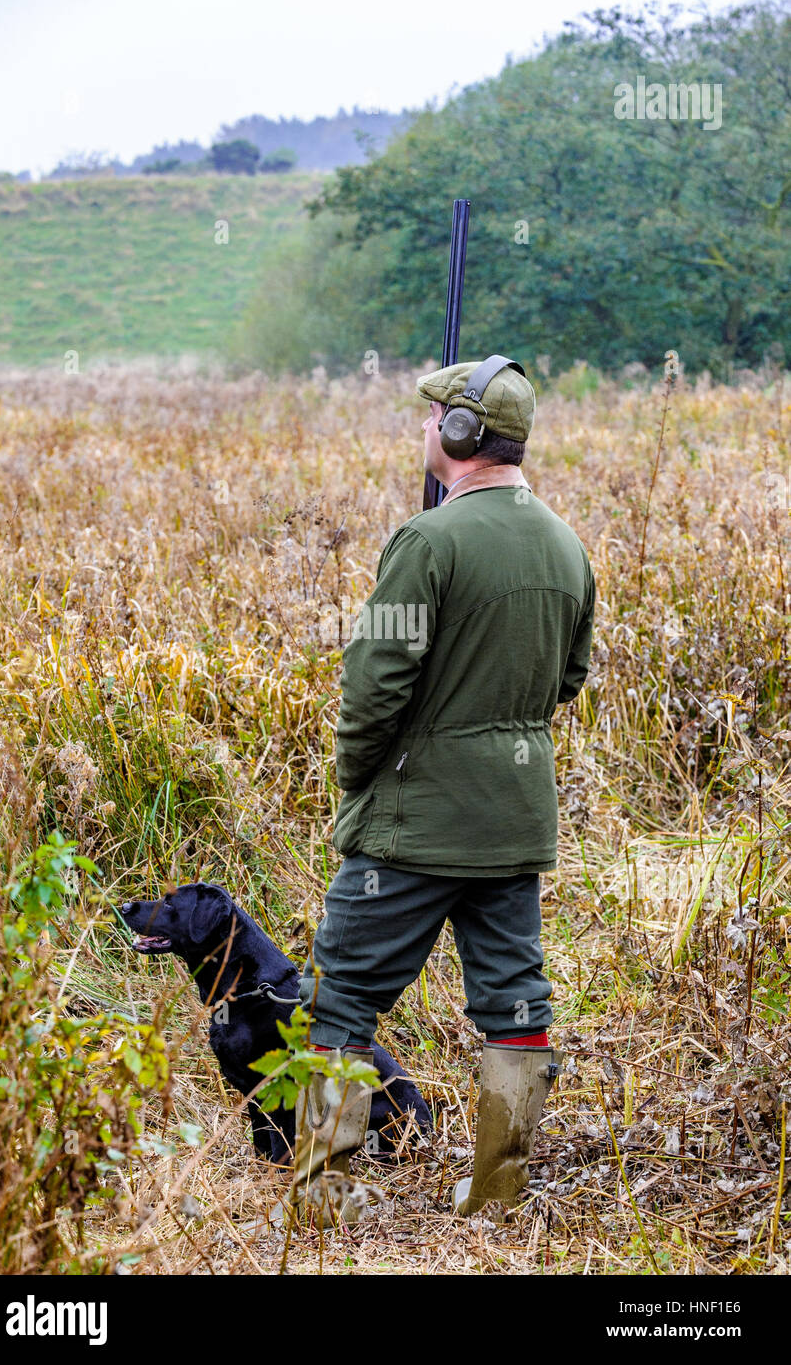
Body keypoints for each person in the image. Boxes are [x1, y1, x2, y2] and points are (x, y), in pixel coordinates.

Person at [293, 357, 596, 1218]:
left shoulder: (424, 543)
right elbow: (568, 676)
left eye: (431, 418)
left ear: (458, 436)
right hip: (514, 818)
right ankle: (497, 1188)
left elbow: (373, 684)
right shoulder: (566, 542)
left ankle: (322, 1195)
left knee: (342, 992)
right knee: (514, 998)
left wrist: (358, 777)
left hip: (412, 824)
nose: (422, 429)